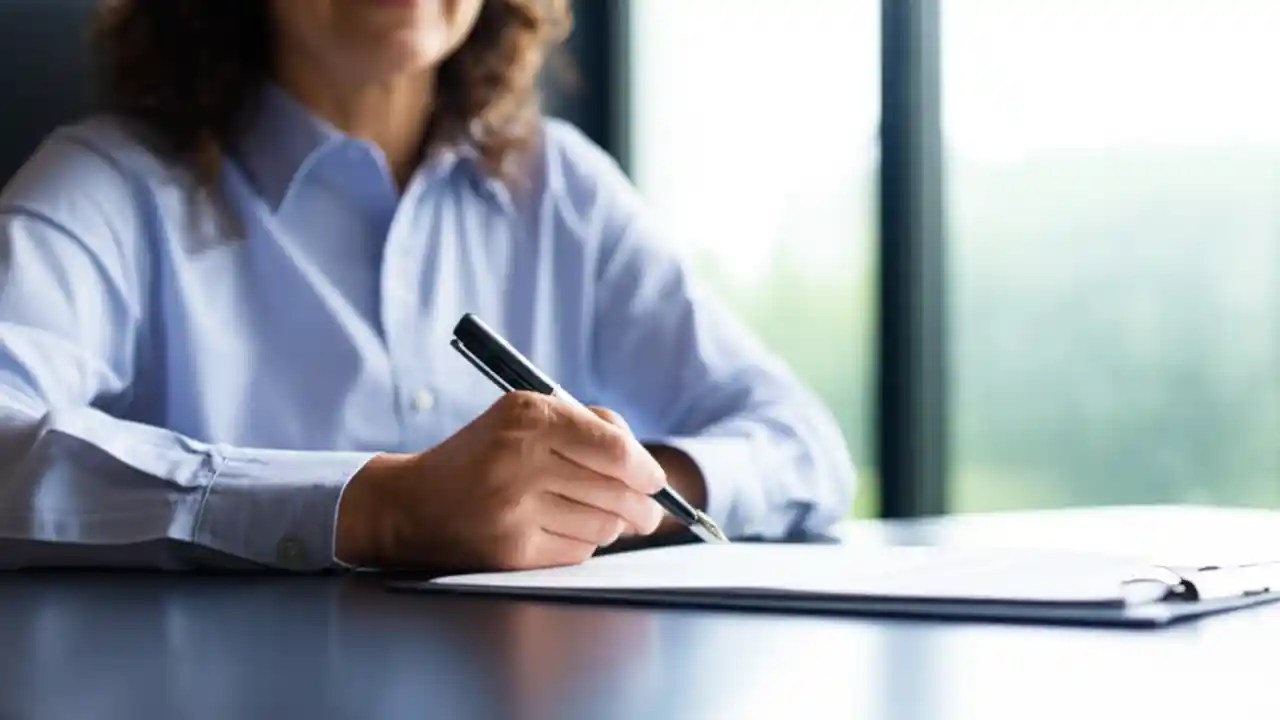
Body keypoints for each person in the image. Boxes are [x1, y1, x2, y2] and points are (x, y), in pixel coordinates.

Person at [0, 0, 855, 572]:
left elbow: (803, 445)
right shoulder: (111, 186)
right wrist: (381, 507)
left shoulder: (559, 187)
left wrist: (605, 496)